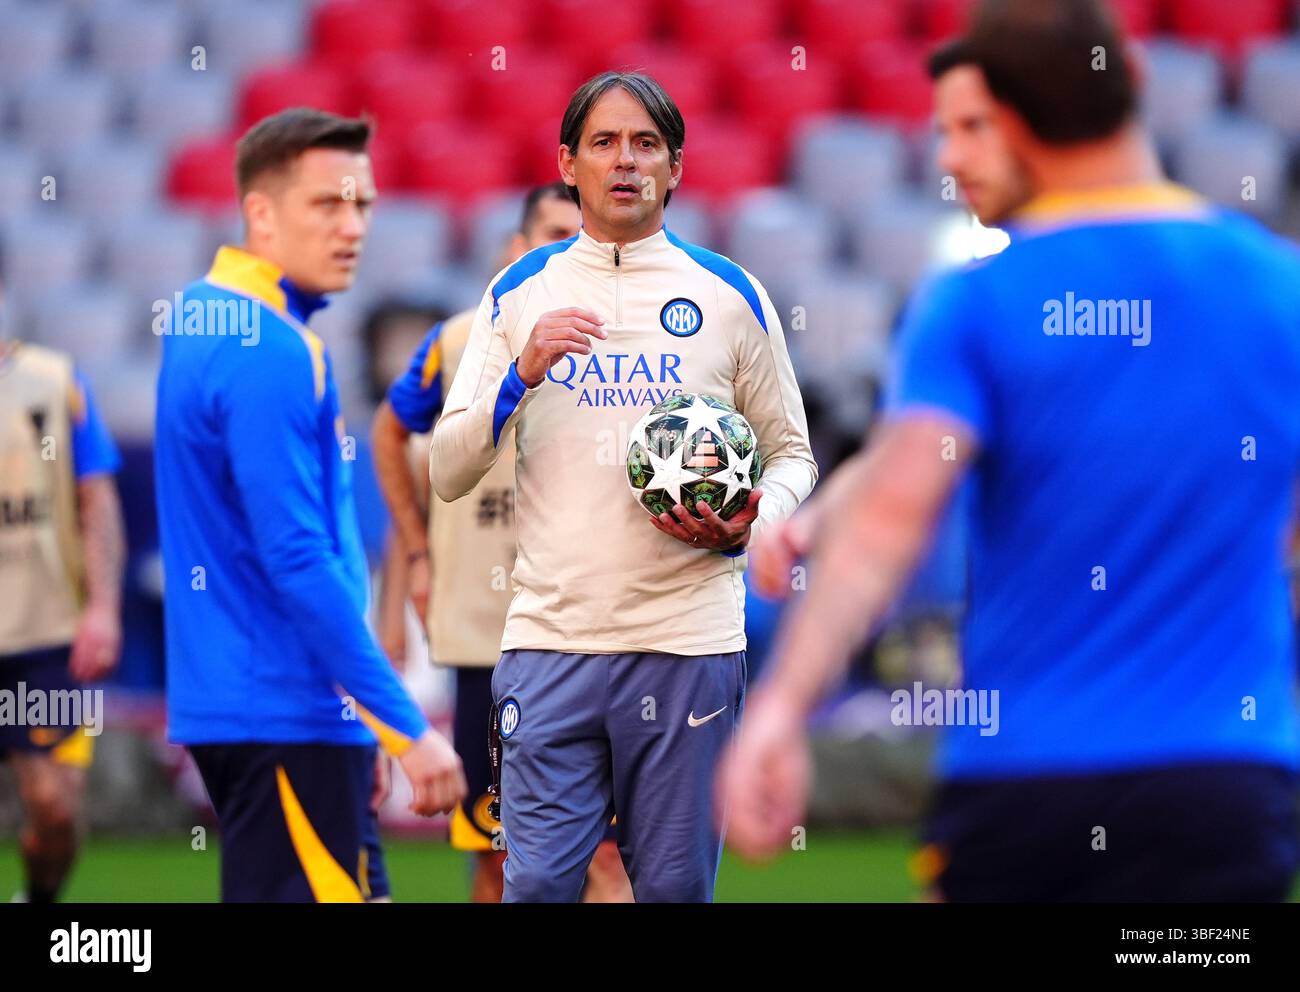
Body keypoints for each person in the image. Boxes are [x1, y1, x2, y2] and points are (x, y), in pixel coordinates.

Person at [719, 0, 1300, 902]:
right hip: (1228, 785)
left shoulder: (979, 301)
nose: (948, 157)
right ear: (1136, 83)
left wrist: (782, 709)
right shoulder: (1279, 287)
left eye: (967, 127)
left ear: (1017, 120)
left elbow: (894, 520)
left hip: (1028, 786)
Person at [429, 72, 818, 902]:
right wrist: (520, 375)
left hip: (689, 648)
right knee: (533, 892)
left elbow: (794, 456)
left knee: (673, 894)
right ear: (567, 163)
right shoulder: (518, 296)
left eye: (646, 144)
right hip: (549, 646)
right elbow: (448, 469)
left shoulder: (730, 296)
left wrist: (751, 519)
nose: (625, 161)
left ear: (676, 166)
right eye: (603, 143)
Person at [154, 107, 466, 903]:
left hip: (260, 710)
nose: (353, 226)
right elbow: (296, 560)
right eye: (327, 204)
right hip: (283, 711)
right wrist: (404, 726)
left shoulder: (201, 315)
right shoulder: (273, 349)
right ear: (261, 212)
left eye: (362, 203)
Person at [373, 182, 634, 902]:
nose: (563, 249)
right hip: (486, 645)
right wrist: (417, 559)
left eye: (576, 234)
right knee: (496, 856)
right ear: (515, 249)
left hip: (594, 637)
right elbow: (394, 438)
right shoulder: (459, 343)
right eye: (549, 232)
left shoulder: (626, 348)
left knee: (605, 859)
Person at [0, 279, 125, 903]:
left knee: (53, 806)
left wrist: (102, 607)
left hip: (44, 637)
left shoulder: (54, 380)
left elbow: (96, 498)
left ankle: (39, 902)